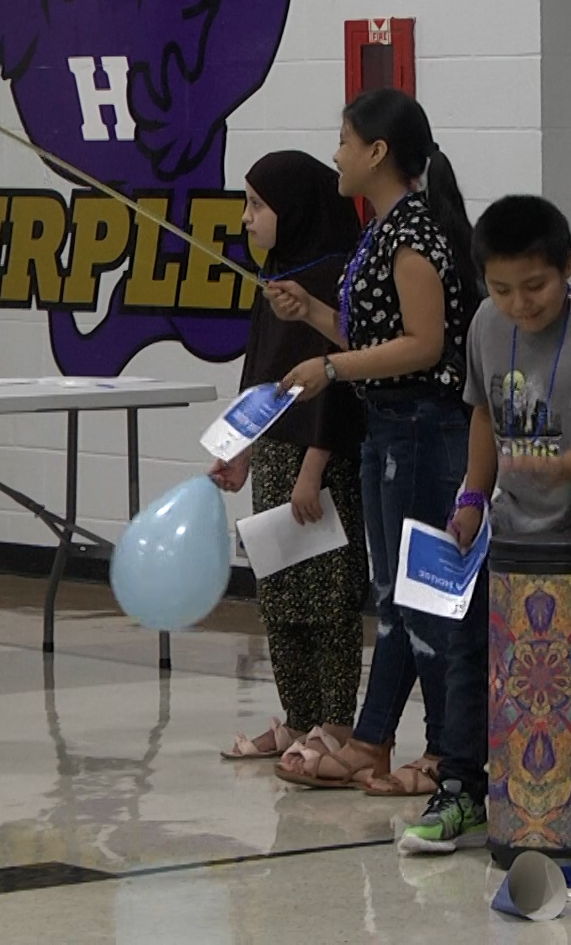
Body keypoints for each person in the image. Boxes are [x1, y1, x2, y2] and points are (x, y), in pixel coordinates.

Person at [397, 193, 571, 854]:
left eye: (536, 287)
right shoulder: (487, 325)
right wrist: (472, 498)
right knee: (474, 654)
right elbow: (483, 410)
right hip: (508, 534)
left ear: (567, 266)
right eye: (503, 288)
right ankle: (461, 787)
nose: (521, 304)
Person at [266, 89, 480, 796]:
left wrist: (331, 368)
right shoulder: (380, 231)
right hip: (390, 429)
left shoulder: (414, 233)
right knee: (393, 596)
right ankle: (374, 740)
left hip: (425, 429)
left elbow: (423, 345)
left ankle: (450, 753)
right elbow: (376, 338)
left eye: (344, 140)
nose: (336, 154)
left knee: (429, 598)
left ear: (377, 152)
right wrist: (317, 315)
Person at [209, 151, 369, 763]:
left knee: (328, 599)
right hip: (275, 460)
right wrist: (241, 451)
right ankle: (298, 718)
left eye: (257, 205)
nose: (246, 218)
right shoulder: (276, 278)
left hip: (317, 466)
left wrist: (312, 468)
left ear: (294, 208)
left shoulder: (330, 281)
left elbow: (338, 384)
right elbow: (260, 378)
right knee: (281, 597)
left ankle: (336, 722)